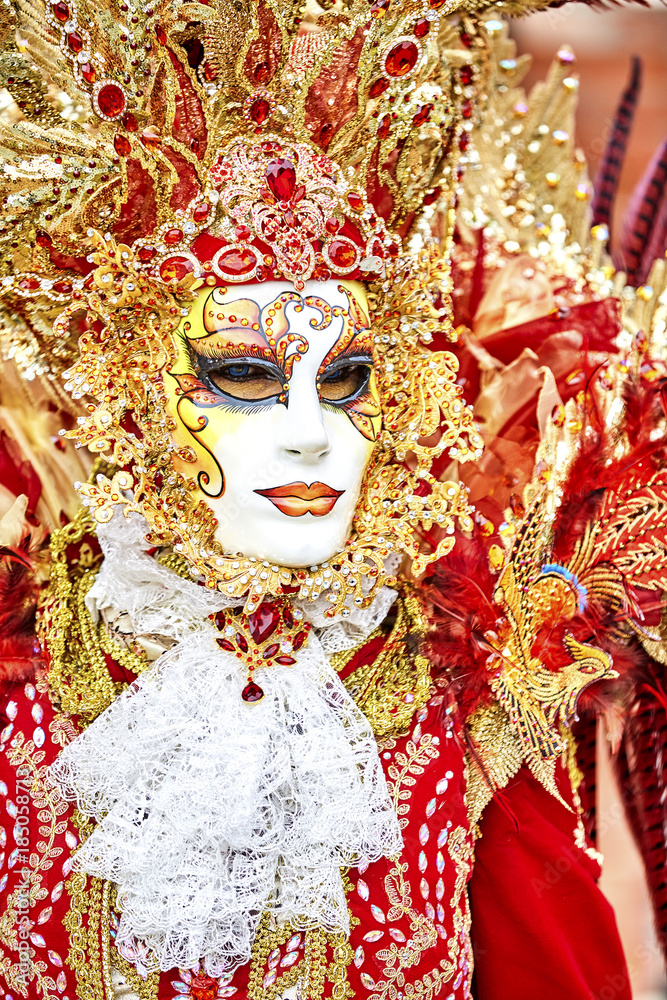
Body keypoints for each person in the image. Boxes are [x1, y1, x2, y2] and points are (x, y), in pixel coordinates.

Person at [1, 2, 665, 998]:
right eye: (245, 376)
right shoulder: (26, 674)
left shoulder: (470, 698)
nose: (312, 431)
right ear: (130, 389)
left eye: (346, 378)